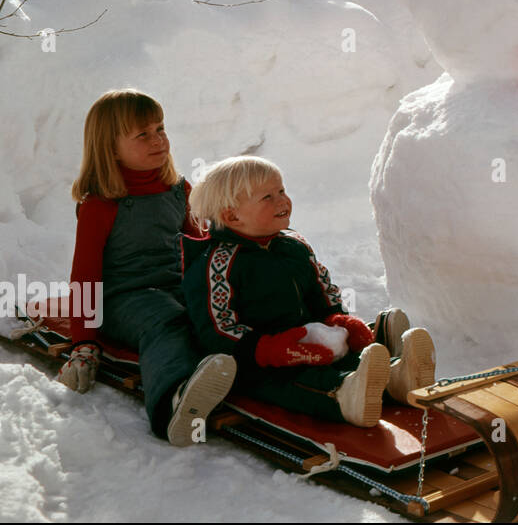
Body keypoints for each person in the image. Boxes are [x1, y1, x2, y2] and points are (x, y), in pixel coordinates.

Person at [183, 156, 436, 428]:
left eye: (282, 190)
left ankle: (396, 377)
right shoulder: (217, 264)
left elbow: (323, 291)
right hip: (259, 361)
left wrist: (337, 321)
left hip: (310, 343)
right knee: (294, 381)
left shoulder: (294, 244)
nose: (282, 200)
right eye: (268, 197)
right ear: (232, 215)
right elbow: (217, 329)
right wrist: (272, 349)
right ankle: (342, 395)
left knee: (350, 360)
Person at [62, 89, 236, 447]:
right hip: (123, 300)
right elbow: (84, 277)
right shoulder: (101, 205)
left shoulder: (177, 189)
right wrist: (83, 343)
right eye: (143, 134)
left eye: (160, 128)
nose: (158, 140)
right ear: (110, 147)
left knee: (214, 315)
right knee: (168, 321)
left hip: (173, 288)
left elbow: (200, 246)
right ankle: (171, 404)